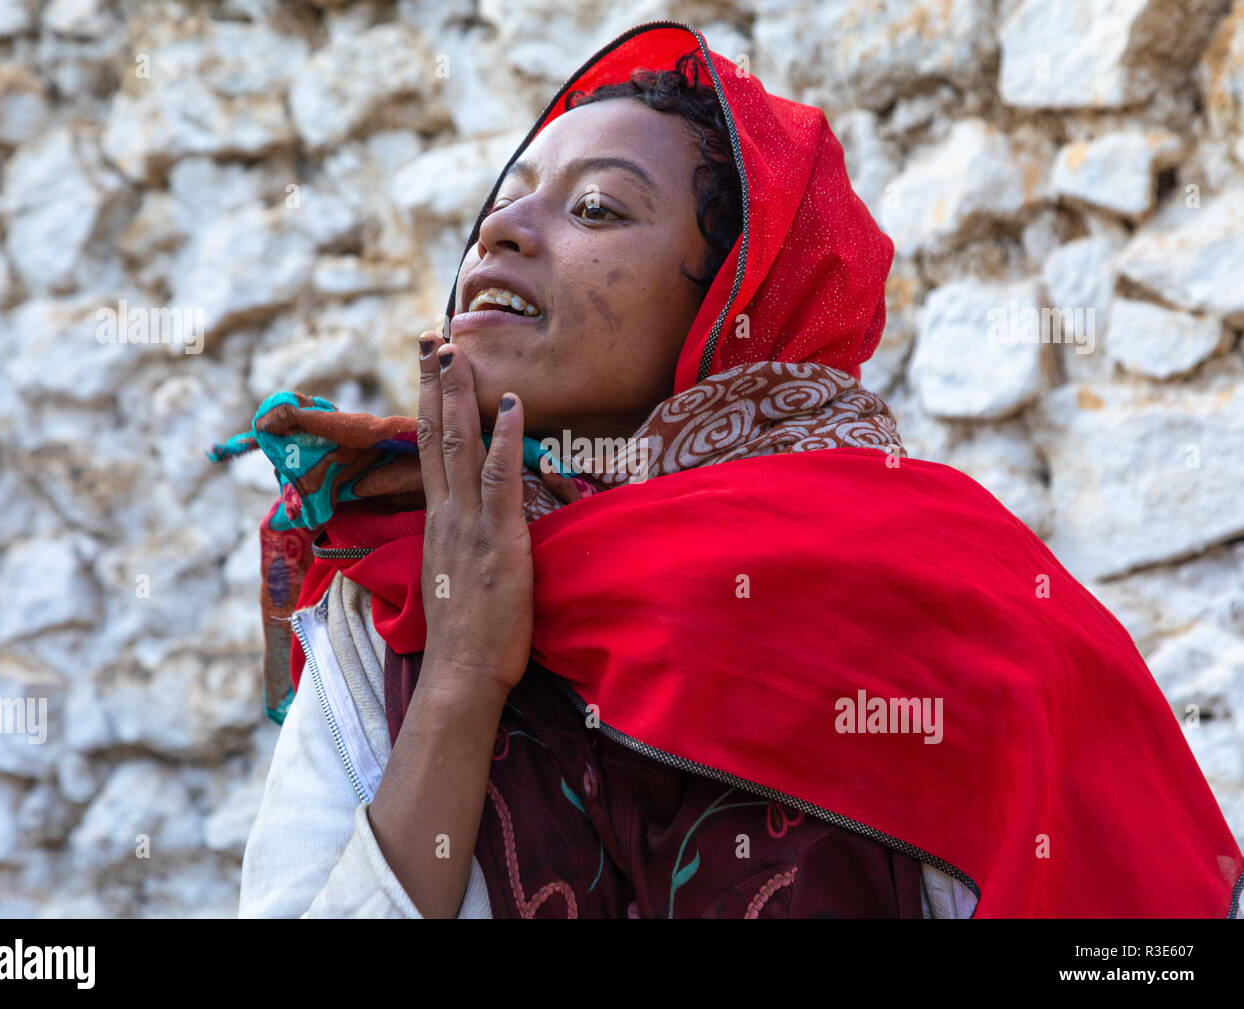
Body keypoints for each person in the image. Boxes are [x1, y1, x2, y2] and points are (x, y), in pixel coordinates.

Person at [231, 23, 1243, 919]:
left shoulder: (928, 581)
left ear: (732, 299)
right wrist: (459, 671)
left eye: (593, 209)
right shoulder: (402, 594)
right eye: (507, 201)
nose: (502, 228)